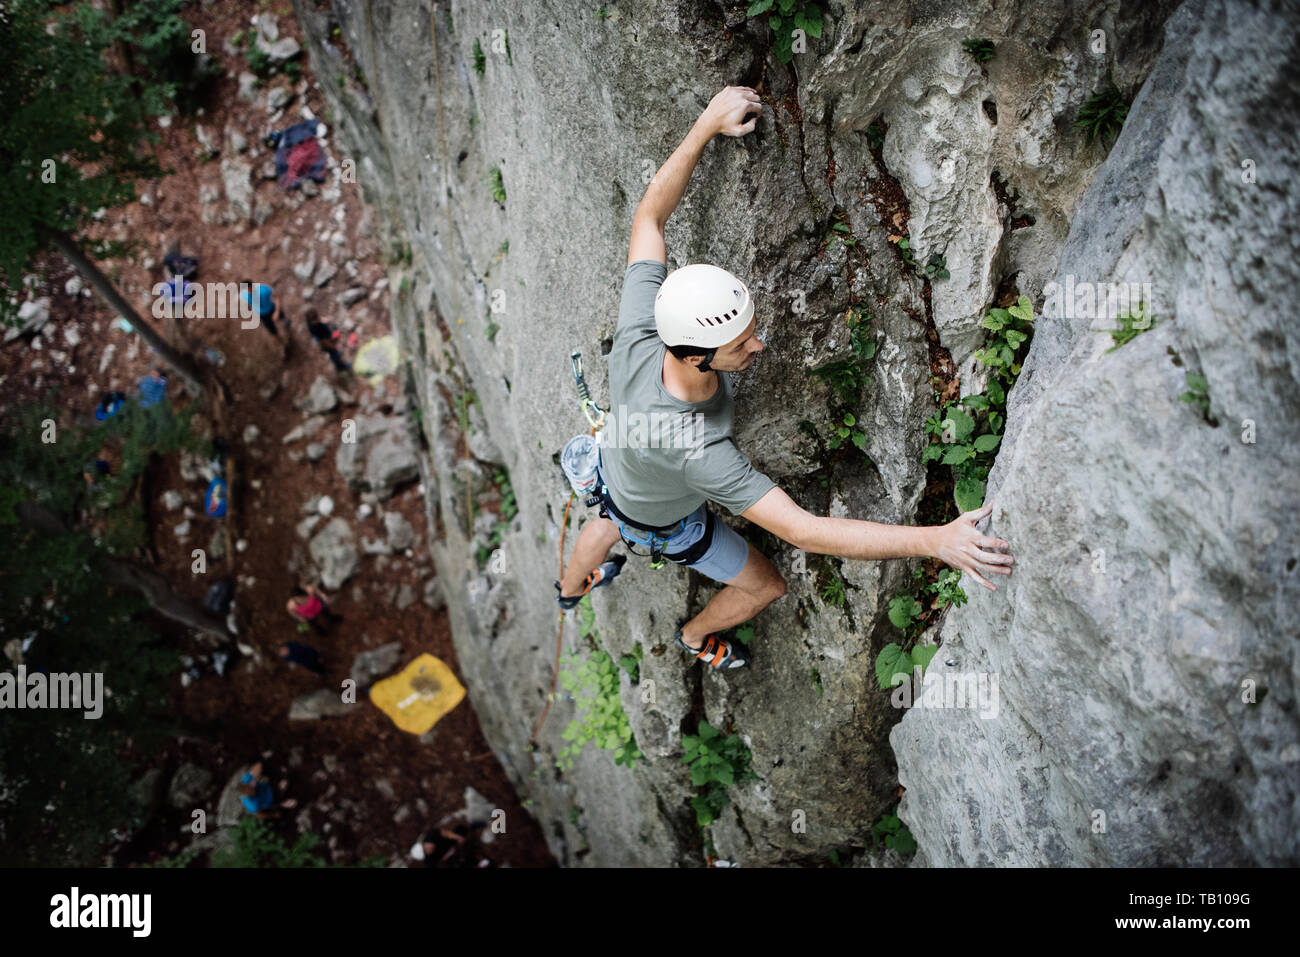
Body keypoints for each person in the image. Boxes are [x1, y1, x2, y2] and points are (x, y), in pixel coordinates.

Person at [555, 85, 1016, 672]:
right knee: (765, 585)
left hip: (617, 467)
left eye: (751, 329)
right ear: (696, 356)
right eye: (740, 343)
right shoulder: (698, 450)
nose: (759, 344)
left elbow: (650, 215)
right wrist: (936, 540)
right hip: (665, 520)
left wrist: (704, 126)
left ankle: (571, 588)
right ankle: (695, 636)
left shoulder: (644, 331)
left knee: (607, 518)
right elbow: (804, 531)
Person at [240, 280, 290, 356]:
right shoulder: (244, 295)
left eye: (248, 289)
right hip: (262, 315)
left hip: (271, 308)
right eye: (246, 290)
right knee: (273, 332)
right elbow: (248, 303)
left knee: (282, 316)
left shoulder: (263, 289)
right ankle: (284, 345)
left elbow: (276, 297)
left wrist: (276, 311)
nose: (248, 291)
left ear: (252, 286)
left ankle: (285, 321)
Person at [302, 307, 351, 372]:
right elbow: (324, 341)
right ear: (312, 322)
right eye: (316, 319)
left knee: (334, 352)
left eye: (317, 317)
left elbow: (320, 320)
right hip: (326, 342)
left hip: (327, 336)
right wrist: (332, 346)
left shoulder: (313, 323)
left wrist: (325, 320)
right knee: (334, 354)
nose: (318, 319)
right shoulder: (315, 329)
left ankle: (337, 354)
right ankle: (341, 366)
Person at [409, 823, 474, 868]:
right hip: (450, 855)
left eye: (426, 848)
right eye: (426, 852)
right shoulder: (429, 861)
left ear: (424, 844)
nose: (429, 849)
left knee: (460, 829)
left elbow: (447, 833)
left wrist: (458, 838)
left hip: (451, 841)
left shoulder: (431, 835)